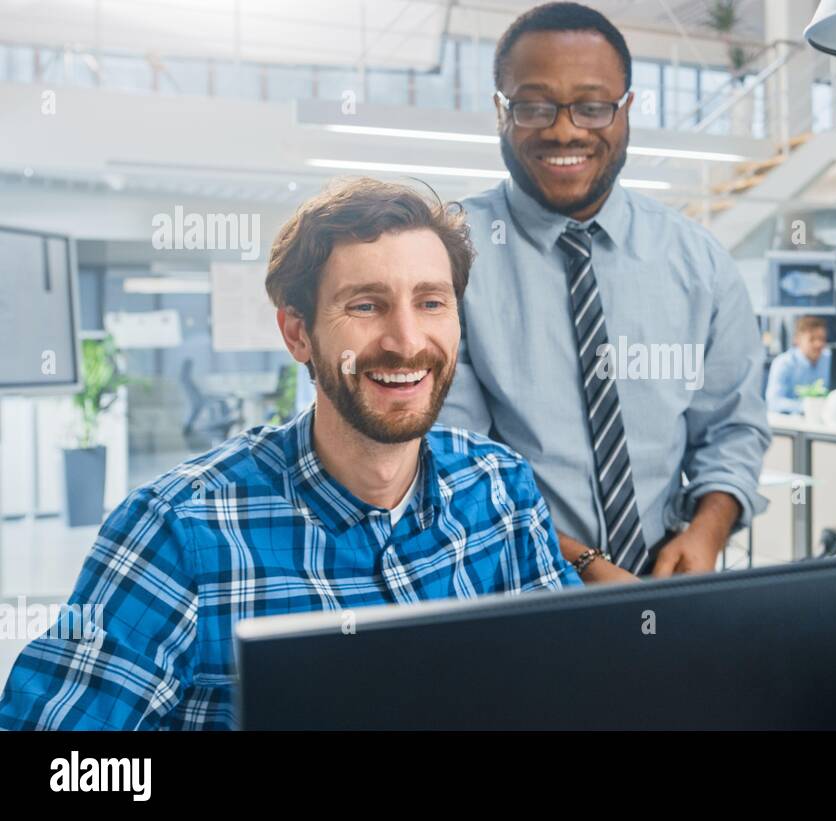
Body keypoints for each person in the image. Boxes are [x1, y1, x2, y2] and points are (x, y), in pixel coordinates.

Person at [0, 178, 579, 730]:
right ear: (297, 333)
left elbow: (572, 682)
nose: (406, 341)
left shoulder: (500, 488)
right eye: (365, 306)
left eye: (431, 302)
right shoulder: (178, 531)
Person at [442, 2, 770, 583]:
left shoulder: (699, 262)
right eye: (534, 106)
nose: (565, 130)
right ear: (500, 110)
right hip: (508, 585)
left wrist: (707, 529)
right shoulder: (448, 259)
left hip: (667, 585)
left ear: (627, 111)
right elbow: (453, 464)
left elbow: (733, 428)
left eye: (592, 107)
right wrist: (586, 566)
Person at [765, 315, 832, 414]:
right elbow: (774, 402)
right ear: (797, 340)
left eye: (822, 339)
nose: (818, 344)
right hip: (790, 424)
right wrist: (808, 407)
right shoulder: (784, 363)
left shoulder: (829, 359)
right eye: (812, 339)